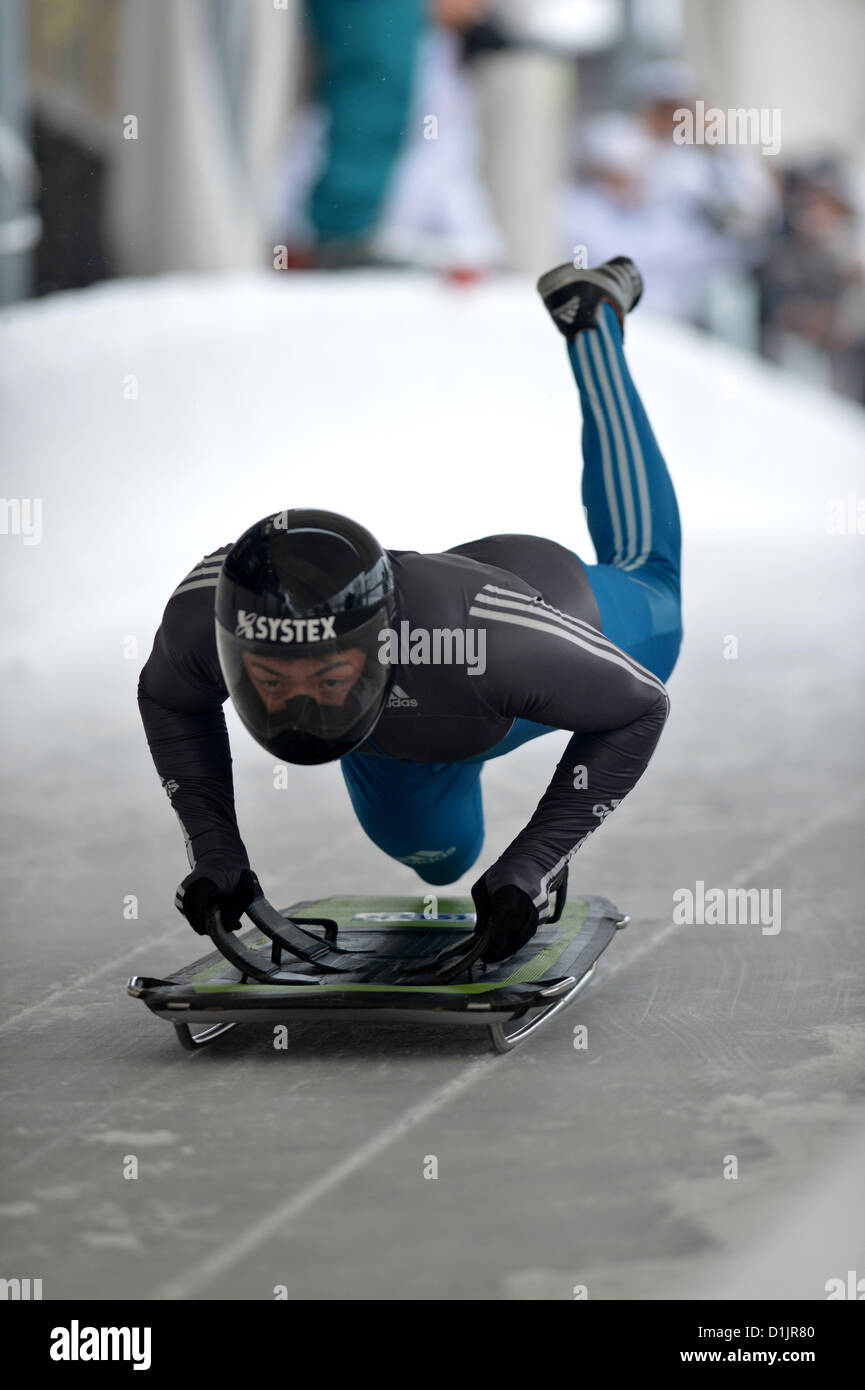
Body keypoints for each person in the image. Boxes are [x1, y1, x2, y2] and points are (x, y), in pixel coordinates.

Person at [138, 256, 681, 963]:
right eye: (273, 682)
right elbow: (171, 699)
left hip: (537, 611)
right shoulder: (202, 622)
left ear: (378, 652)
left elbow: (640, 707)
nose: (300, 710)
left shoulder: (488, 640)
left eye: (327, 683)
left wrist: (531, 864)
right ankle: (412, 744)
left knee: (654, 582)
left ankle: (592, 323)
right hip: (418, 719)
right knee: (440, 859)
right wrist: (216, 852)